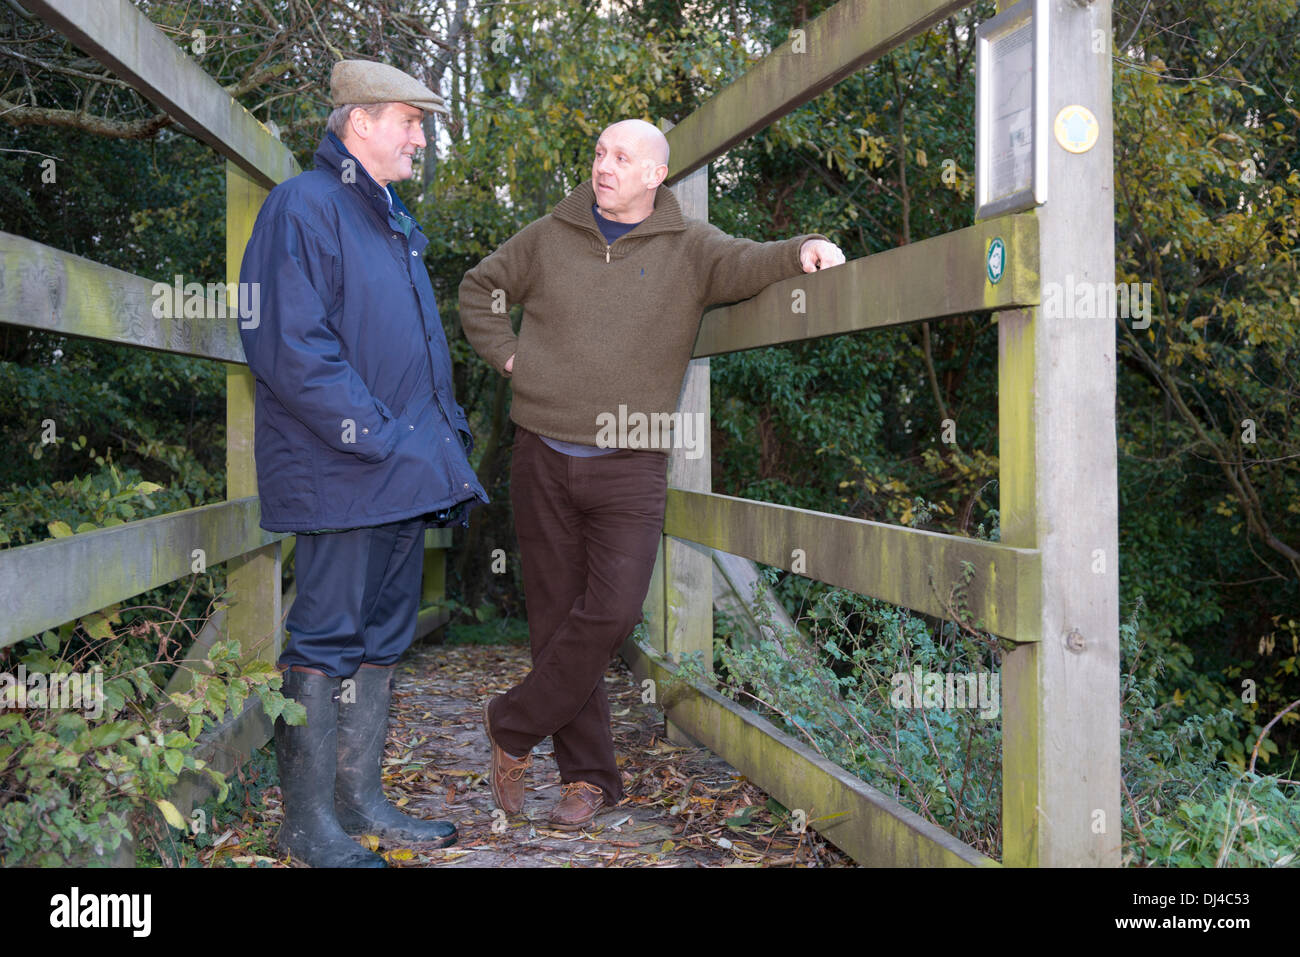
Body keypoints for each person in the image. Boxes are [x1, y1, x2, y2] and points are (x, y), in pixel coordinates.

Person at [459, 118, 844, 830]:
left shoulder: (690, 248)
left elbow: (749, 261)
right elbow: (479, 287)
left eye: (621, 156)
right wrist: (512, 358)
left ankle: (509, 723)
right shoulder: (548, 234)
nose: (603, 165)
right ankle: (588, 778)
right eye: (599, 152)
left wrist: (804, 249)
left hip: (631, 458)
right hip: (542, 450)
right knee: (555, 618)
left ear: (654, 174)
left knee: (611, 612)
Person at [239, 60, 487, 867]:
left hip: (398, 472)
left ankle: (358, 801)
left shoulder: (387, 217)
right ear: (358, 125)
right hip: (341, 469)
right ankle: (307, 824)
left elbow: (412, 350)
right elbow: (291, 346)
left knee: (381, 634)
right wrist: (381, 436)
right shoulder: (302, 206)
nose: (421, 136)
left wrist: (430, 442)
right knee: (325, 637)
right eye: (409, 121)